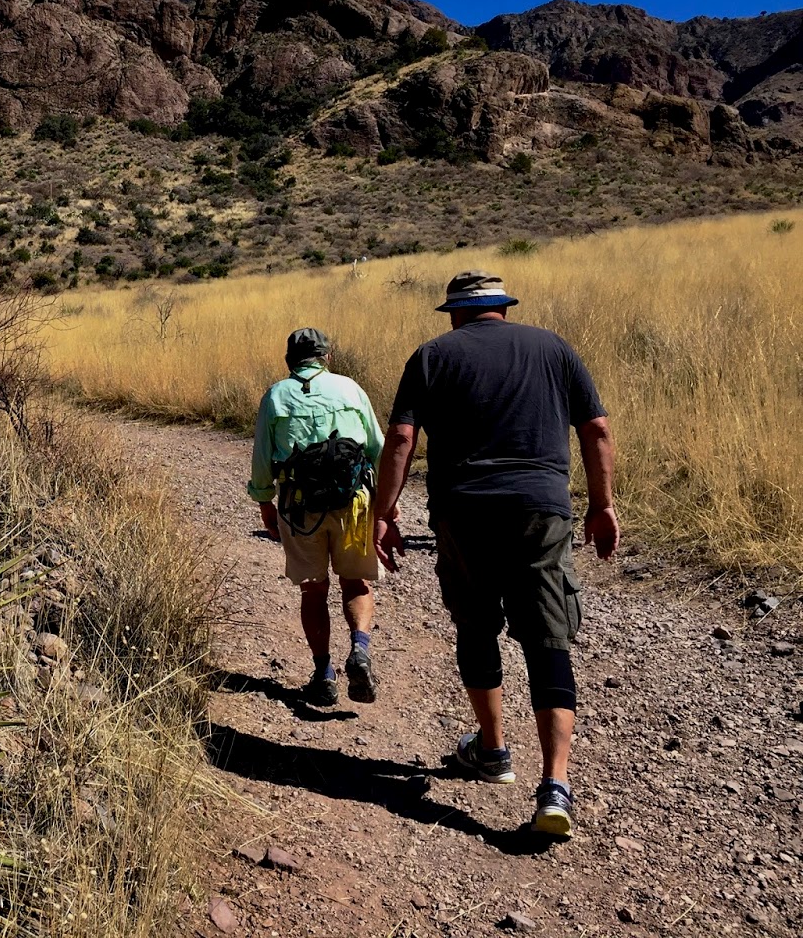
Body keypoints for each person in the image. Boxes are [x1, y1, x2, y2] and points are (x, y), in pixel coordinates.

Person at [371, 270, 618, 839]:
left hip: (464, 512)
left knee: (476, 625)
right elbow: (596, 429)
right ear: (502, 308)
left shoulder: (432, 356)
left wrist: (386, 513)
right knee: (547, 636)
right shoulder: (553, 347)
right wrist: (601, 505)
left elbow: (402, 439)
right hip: (542, 507)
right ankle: (554, 786)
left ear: (454, 313)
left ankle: (493, 749)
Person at [248, 327, 385, 707]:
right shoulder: (350, 389)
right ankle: (359, 649)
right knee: (356, 583)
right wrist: (386, 503)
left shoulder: (275, 395)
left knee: (313, 590)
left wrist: (265, 503)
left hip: (299, 504)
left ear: (290, 360)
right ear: (327, 356)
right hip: (353, 504)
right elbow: (377, 447)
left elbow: (262, 459)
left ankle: (324, 672)